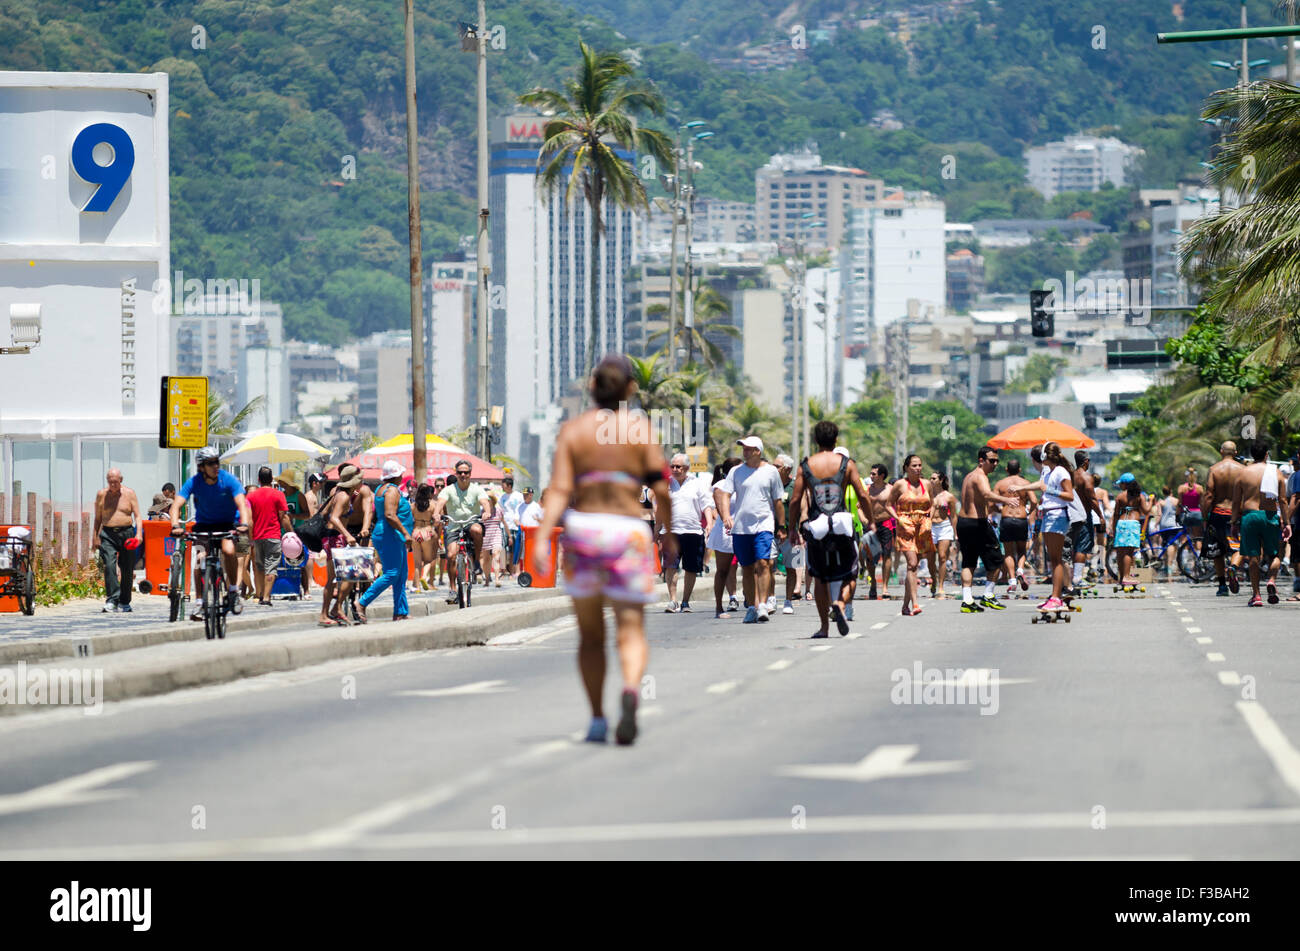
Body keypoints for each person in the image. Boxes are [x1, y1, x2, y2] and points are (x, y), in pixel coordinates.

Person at [532, 354, 672, 745]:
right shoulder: (640, 430)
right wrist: (669, 533)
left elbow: (559, 489)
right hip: (627, 531)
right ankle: (629, 689)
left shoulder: (574, 432)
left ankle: (596, 719)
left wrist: (543, 537)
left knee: (591, 637)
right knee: (630, 630)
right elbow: (660, 488)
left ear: (591, 387)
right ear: (630, 388)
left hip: (585, 530)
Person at [786, 421, 874, 636]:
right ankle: (841, 603)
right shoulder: (846, 464)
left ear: (815, 440)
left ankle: (824, 627)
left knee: (820, 577)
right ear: (836, 440)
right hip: (842, 526)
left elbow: (795, 499)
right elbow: (862, 494)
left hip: (817, 527)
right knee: (850, 573)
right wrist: (870, 521)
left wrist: (792, 528)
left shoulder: (806, 466)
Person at [169, 447, 252, 621]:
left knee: (229, 551)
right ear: (201, 467)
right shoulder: (194, 482)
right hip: (204, 526)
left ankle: (233, 592)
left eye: (217, 462)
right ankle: (199, 602)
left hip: (226, 524)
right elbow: (176, 505)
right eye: (210, 463)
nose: (215, 466)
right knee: (200, 559)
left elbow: (242, 504)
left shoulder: (228, 480)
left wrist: (243, 524)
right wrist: (175, 525)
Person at [715, 436, 786, 624]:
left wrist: (782, 526)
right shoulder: (736, 472)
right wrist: (726, 516)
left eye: (748, 449)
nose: (745, 452)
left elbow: (778, 501)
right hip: (741, 527)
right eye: (743, 449)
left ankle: (762, 604)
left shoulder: (771, 472)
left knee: (763, 563)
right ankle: (752, 607)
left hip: (764, 524)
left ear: (758, 451)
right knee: (746, 567)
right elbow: (725, 494)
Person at [954, 447, 1020, 613]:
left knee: (968, 562)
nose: (995, 464)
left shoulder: (969, 476)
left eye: (997, 461)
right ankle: (988, 595)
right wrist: (1006, 500)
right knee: (997, 560)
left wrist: (990, 514)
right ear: (981, 461)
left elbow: (977, 501)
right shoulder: (980, 476)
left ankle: (967, 601)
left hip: (964, 522)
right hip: (977, 524)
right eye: (992, 461)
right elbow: (986, 494)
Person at [1016, 442, 1076, 612]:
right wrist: (1020, 487)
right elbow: (1040, 485)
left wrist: (1049, 490)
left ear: (1044, 456)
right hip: (1049, 515)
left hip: (1058, 515)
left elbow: (1069, 495)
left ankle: (1057, 597)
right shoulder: (1049, 471)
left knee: (1056, 560)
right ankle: (1055, 596)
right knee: (1053, 560)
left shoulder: (1061, 472)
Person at [357, 460, 415, 622]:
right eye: (400, 474)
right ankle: (362, 602)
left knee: (401, 575)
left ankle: (400, 611)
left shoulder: (382, 489)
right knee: (392, 573)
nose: (402, 477)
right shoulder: (392, 491)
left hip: (391, 534)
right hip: (391, 534)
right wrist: (405, 533)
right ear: (396, 476)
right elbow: (390, 515)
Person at [1233, 440, 1289, 607]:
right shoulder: (1276, 472)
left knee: (1253, 556)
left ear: (1252, 455)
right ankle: (1271, 580)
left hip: (1249, 516)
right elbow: (1283, 500)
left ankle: (1256, 595)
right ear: (1266, 455)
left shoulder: (1243, 473)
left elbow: (1236, 501)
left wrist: (1234, 522)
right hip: (1269, 515)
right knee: (1275, 555)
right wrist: (1287, 523)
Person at [883, 455, 934, 616]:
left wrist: (929, 520)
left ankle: (905, 605)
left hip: (922, 527)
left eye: (919, 465)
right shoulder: (900, 485)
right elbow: (888, 505)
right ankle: (915, 603)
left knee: (914, 566)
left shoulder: (927, 484)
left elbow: (932, 504)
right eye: (914, 465)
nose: (918, 468)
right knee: (912, 563)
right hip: (905, 527)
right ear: (906, 468)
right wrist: (899, 519)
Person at [433, 459, 491, 601]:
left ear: (470, 474)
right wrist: (436, 513)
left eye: (466, 472)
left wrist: (487, 512)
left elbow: (484, 502)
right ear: (456, 474)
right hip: (454, 526)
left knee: (477, 530)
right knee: (451, 556)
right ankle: (452, 589)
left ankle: (477, 562)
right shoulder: (449, 489)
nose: (463, 475)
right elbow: (440, 502)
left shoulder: (476, 489)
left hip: (471, 522)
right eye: (460, 472)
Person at [316, 464, 366, 627]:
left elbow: (324, 514)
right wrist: (347, 535)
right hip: (336, 537)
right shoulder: (343, 496)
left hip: (332, 537)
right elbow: (334, 518)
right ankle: (331, 611)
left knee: (342, 576)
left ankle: (331, 611)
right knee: (349, 574)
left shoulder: (337, 493)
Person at [663, 453, 713, 613]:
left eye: (679, 466)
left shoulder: (697, 483)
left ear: (686, 468)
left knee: (691, 568)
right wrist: (657, 529)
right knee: (671, 567)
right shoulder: (666, 484)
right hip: (671, 531)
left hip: (692, 531)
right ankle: (673, 600)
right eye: (672, 466)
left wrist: (710, 524)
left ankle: (685, 602)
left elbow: (706, 505)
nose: (675, 469)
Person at [92, 469, 144, 613]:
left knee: (127, 568)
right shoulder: (102, 494)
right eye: (110, 481)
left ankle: (124, 601)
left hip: (127, 533)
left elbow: (138, 516)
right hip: (108, 533)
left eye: (115, 481)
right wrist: (95, 537)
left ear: (121, 480)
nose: (113, 484)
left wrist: (138, 534)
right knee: (109, 565)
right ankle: (112, 600)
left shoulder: (129, 494)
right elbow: (97, 518)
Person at [1203, 441, 1245, 596]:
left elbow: (1209, 495)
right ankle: (1233, 567)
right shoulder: (1242, 470)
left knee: (1217, 550)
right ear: (1235, 453)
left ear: (1221, 451)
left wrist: (1205, 516)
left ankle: (1222, 585)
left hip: (1217, 513)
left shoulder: (1214, 469)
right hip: (1236, 514)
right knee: (1239, 546)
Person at [246, 466, 292, 606]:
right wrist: (291, 533)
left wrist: (250, 538)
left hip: (257, 537)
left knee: (259, 567)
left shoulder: (251, 496)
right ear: (272, 479)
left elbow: (249, 520)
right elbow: (283, 517)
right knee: (271, 567)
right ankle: (266, 597)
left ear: (258, 480)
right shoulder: (279, 495)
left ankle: (260, 594)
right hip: (273, 536)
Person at [1067, 451, 1106, 596]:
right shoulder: (1086, 477)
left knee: (1074, 547)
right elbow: (1092, 499)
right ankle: (1077, 578)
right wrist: (1101, 516)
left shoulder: (1071, 476)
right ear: (1086, 462)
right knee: (1081, 548)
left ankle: (1073, 577)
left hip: (1071, 515)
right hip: (1083, 516)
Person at [994, 458, 1035, 597]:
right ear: (1019, 470)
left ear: (1006, 470)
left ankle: (1012, 581)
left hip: (1006, 519)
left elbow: (991, 501)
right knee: (1022, 550)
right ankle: (1020, 571)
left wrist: (999, 509)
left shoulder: (1000, 484)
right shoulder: (1025, 483)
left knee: (1009, 552)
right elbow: (1034, 500)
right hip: (1021, 518)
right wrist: (1029, 511)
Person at [706, 458, 742, 618]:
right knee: (723, 570)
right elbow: (722, 510)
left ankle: (756, 604)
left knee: (752, 567)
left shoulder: (743, 484)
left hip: (744, 529)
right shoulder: (720, 487)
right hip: (726, 533)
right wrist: (729, 521)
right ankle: (719, 607)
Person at [774, 453, 805, 615]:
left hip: (790, 534)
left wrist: (800, 531)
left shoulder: (795, 487)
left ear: (787, 469)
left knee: (791, 568)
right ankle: (769, 599)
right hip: (769, 532)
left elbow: (803, 509)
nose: (774, 469)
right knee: (766, 566)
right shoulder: (770, 484)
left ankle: (788, 600)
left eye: (777, 466)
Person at [276, 470, 315, 594]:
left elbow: (307, 514)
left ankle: (306, 590)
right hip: (282, 534)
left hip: (298, 534)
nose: (280, 483)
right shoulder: (281, 495)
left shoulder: (299, 495)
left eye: (282, 481)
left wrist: (293, 516)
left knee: (301, 561)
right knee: (283, 562)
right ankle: (287, 588)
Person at [1110, 474, 1150, 590]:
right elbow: (1146, 510)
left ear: (1126, 484)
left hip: (1121, 524)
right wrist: (1151, 501)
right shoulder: (1139, 496)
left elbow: (1116, 514)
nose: (1120, 486)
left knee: (1121, 552)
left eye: (1121, 484)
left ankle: (1121, 577)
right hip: (1132, 525)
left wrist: (1114, 529)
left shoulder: (1120, 496)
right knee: (1129, 551)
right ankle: (1126, 577)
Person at [863, 464, 895, 600]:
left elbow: (899, 506)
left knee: (887, 555)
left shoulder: (891, 490)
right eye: (870, 474)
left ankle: (885, 587)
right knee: (869, 557)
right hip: (871, 525)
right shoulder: (868, 490)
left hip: (886, 524)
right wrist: (865, 520)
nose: (871, 476)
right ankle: (873, 584)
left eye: (873, 474)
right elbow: (860, 507)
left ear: (882, 476)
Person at [929, 472, 958, 599]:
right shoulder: (927, 495)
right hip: (930, 527)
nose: (931, 480)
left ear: (941, 480)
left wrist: (955, 534)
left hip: (944, 527)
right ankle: (934, 580)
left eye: (934, 478)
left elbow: (953, 516)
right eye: (930, 478)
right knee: (930, 559)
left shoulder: (949, 497)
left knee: (942, 557)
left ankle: (940, 586)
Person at [411, 481, 438, 590]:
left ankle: (416, 587)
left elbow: (409, 520)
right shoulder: (433, 505)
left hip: (415, 532)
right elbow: (436, 521)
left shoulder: (413, 505)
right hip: (427, 531)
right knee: (429, 559)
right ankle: (424, 576)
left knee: (417, 563)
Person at [498, 476, 526, 579]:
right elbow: (500, 509)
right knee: (503, 549)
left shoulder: (518, 496)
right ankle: (504, 570)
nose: (502, 487)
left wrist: (519, 520)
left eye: (503, 485)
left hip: (515, 525)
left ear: (509, 485)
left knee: (515, 549)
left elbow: (522, 509)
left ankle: (515, 571)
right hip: (504, 525)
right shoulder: (502, 497)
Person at [1176, 466, 1205, 547]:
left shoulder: (1181, 488)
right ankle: (1198, 554)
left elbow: (1179, 504)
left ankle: (1184, 556)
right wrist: (1204, 516)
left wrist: (1177, 515)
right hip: (1197, 514)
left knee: (1184, 535)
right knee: (1197, 536)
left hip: (1185, 514)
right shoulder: (1200, 488)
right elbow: (1202, 504)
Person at [481, 490, 506, 586]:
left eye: (489, 499)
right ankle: (487, 580)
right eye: (486, 500)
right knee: (486, 559)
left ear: (492, 500)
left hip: (496, 534)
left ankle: (496, 580)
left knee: (496, 556)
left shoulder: (498, 510)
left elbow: (503, 522)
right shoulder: (482, 511)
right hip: (486, 536)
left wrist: (508, 535)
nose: (488, 501)